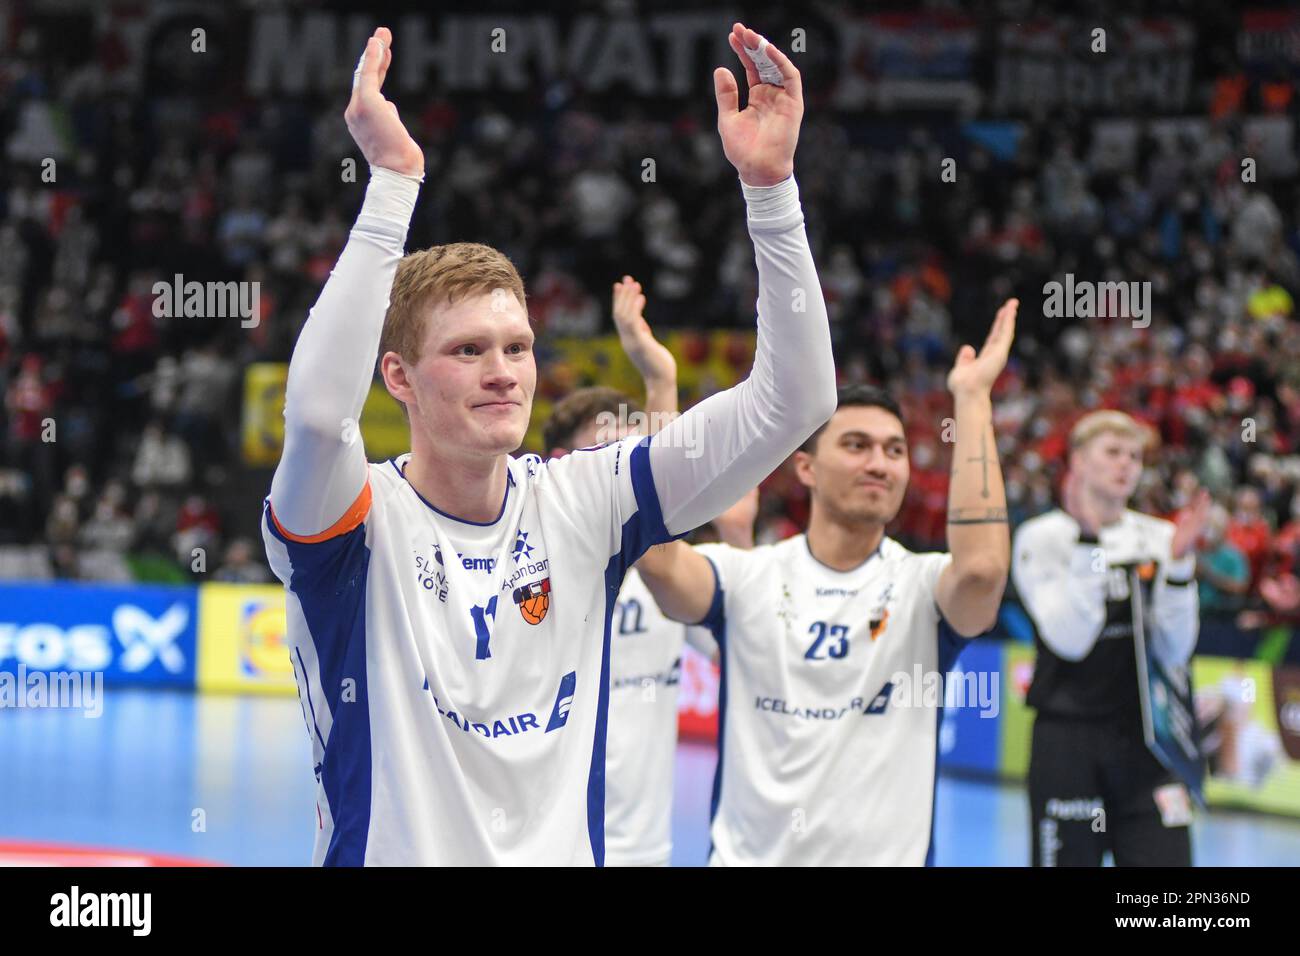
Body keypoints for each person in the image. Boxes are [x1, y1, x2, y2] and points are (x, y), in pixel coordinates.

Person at [259, 24, 835, 865]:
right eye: (467, 351)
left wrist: (772, 193)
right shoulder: (352, 521)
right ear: (399, 378)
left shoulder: (583, 501)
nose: (503, 373)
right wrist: (392, 186)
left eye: (518, 347)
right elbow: (314, 416)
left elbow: (796, 401)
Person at [633, 300, 1019, 865]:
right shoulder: (748, 576)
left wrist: (972, 399)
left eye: (894, 450)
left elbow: (983, 569)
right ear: (806, 468)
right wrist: (661, 386)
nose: (880, 465)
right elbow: (660, 562)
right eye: (856, 445)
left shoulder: (924, 587)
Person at [543, 276, 752, 867]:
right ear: (563, 466)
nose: (623, 469)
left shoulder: (667, 576)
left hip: (643, 854)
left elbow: (749, 649)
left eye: (631, 452)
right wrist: (660, 381)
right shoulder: (532, 560)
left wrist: (737, 534)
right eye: (608, 450)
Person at [1011, 410, 1211, 866]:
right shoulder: (1041, 538)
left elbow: (1175, 650)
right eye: (1113, 453)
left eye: (1135, 456)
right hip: (1068, 744)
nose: (1127, 465)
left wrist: (1179, 569)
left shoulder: (1161, 537)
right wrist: (1088, 541)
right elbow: (1070, 641)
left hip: (1150, 744)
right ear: (1078, 463)